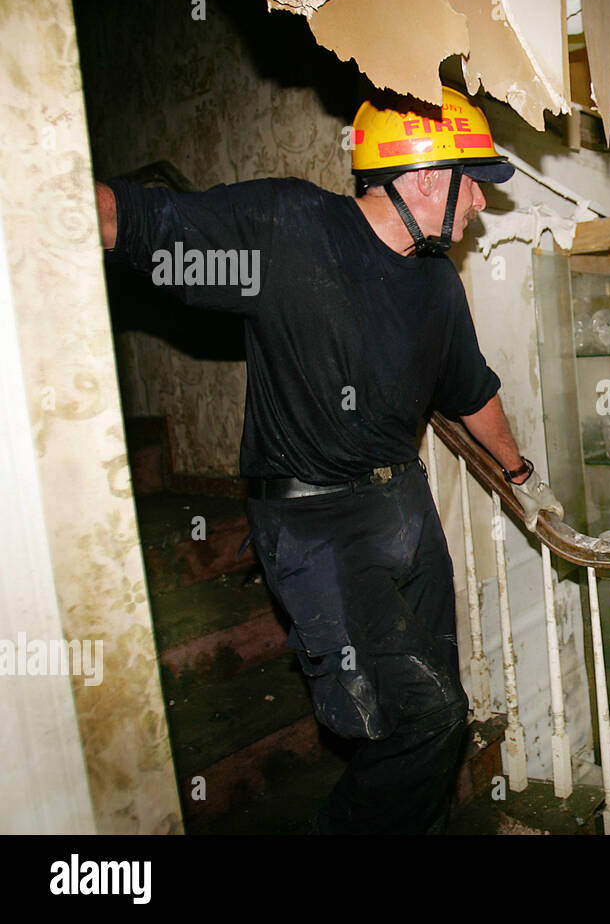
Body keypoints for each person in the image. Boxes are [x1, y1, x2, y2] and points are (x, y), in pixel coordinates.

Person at [95, 85, 562, 833]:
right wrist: (39, 185)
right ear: (420, 178)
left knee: (441, 703)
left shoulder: (438, 282)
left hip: (404, 509)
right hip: (316, 524)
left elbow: (470, 391)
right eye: (470, 179)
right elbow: (142, 222)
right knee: (421, 722)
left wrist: (519, 475)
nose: (479, 201)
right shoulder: (290, 229)